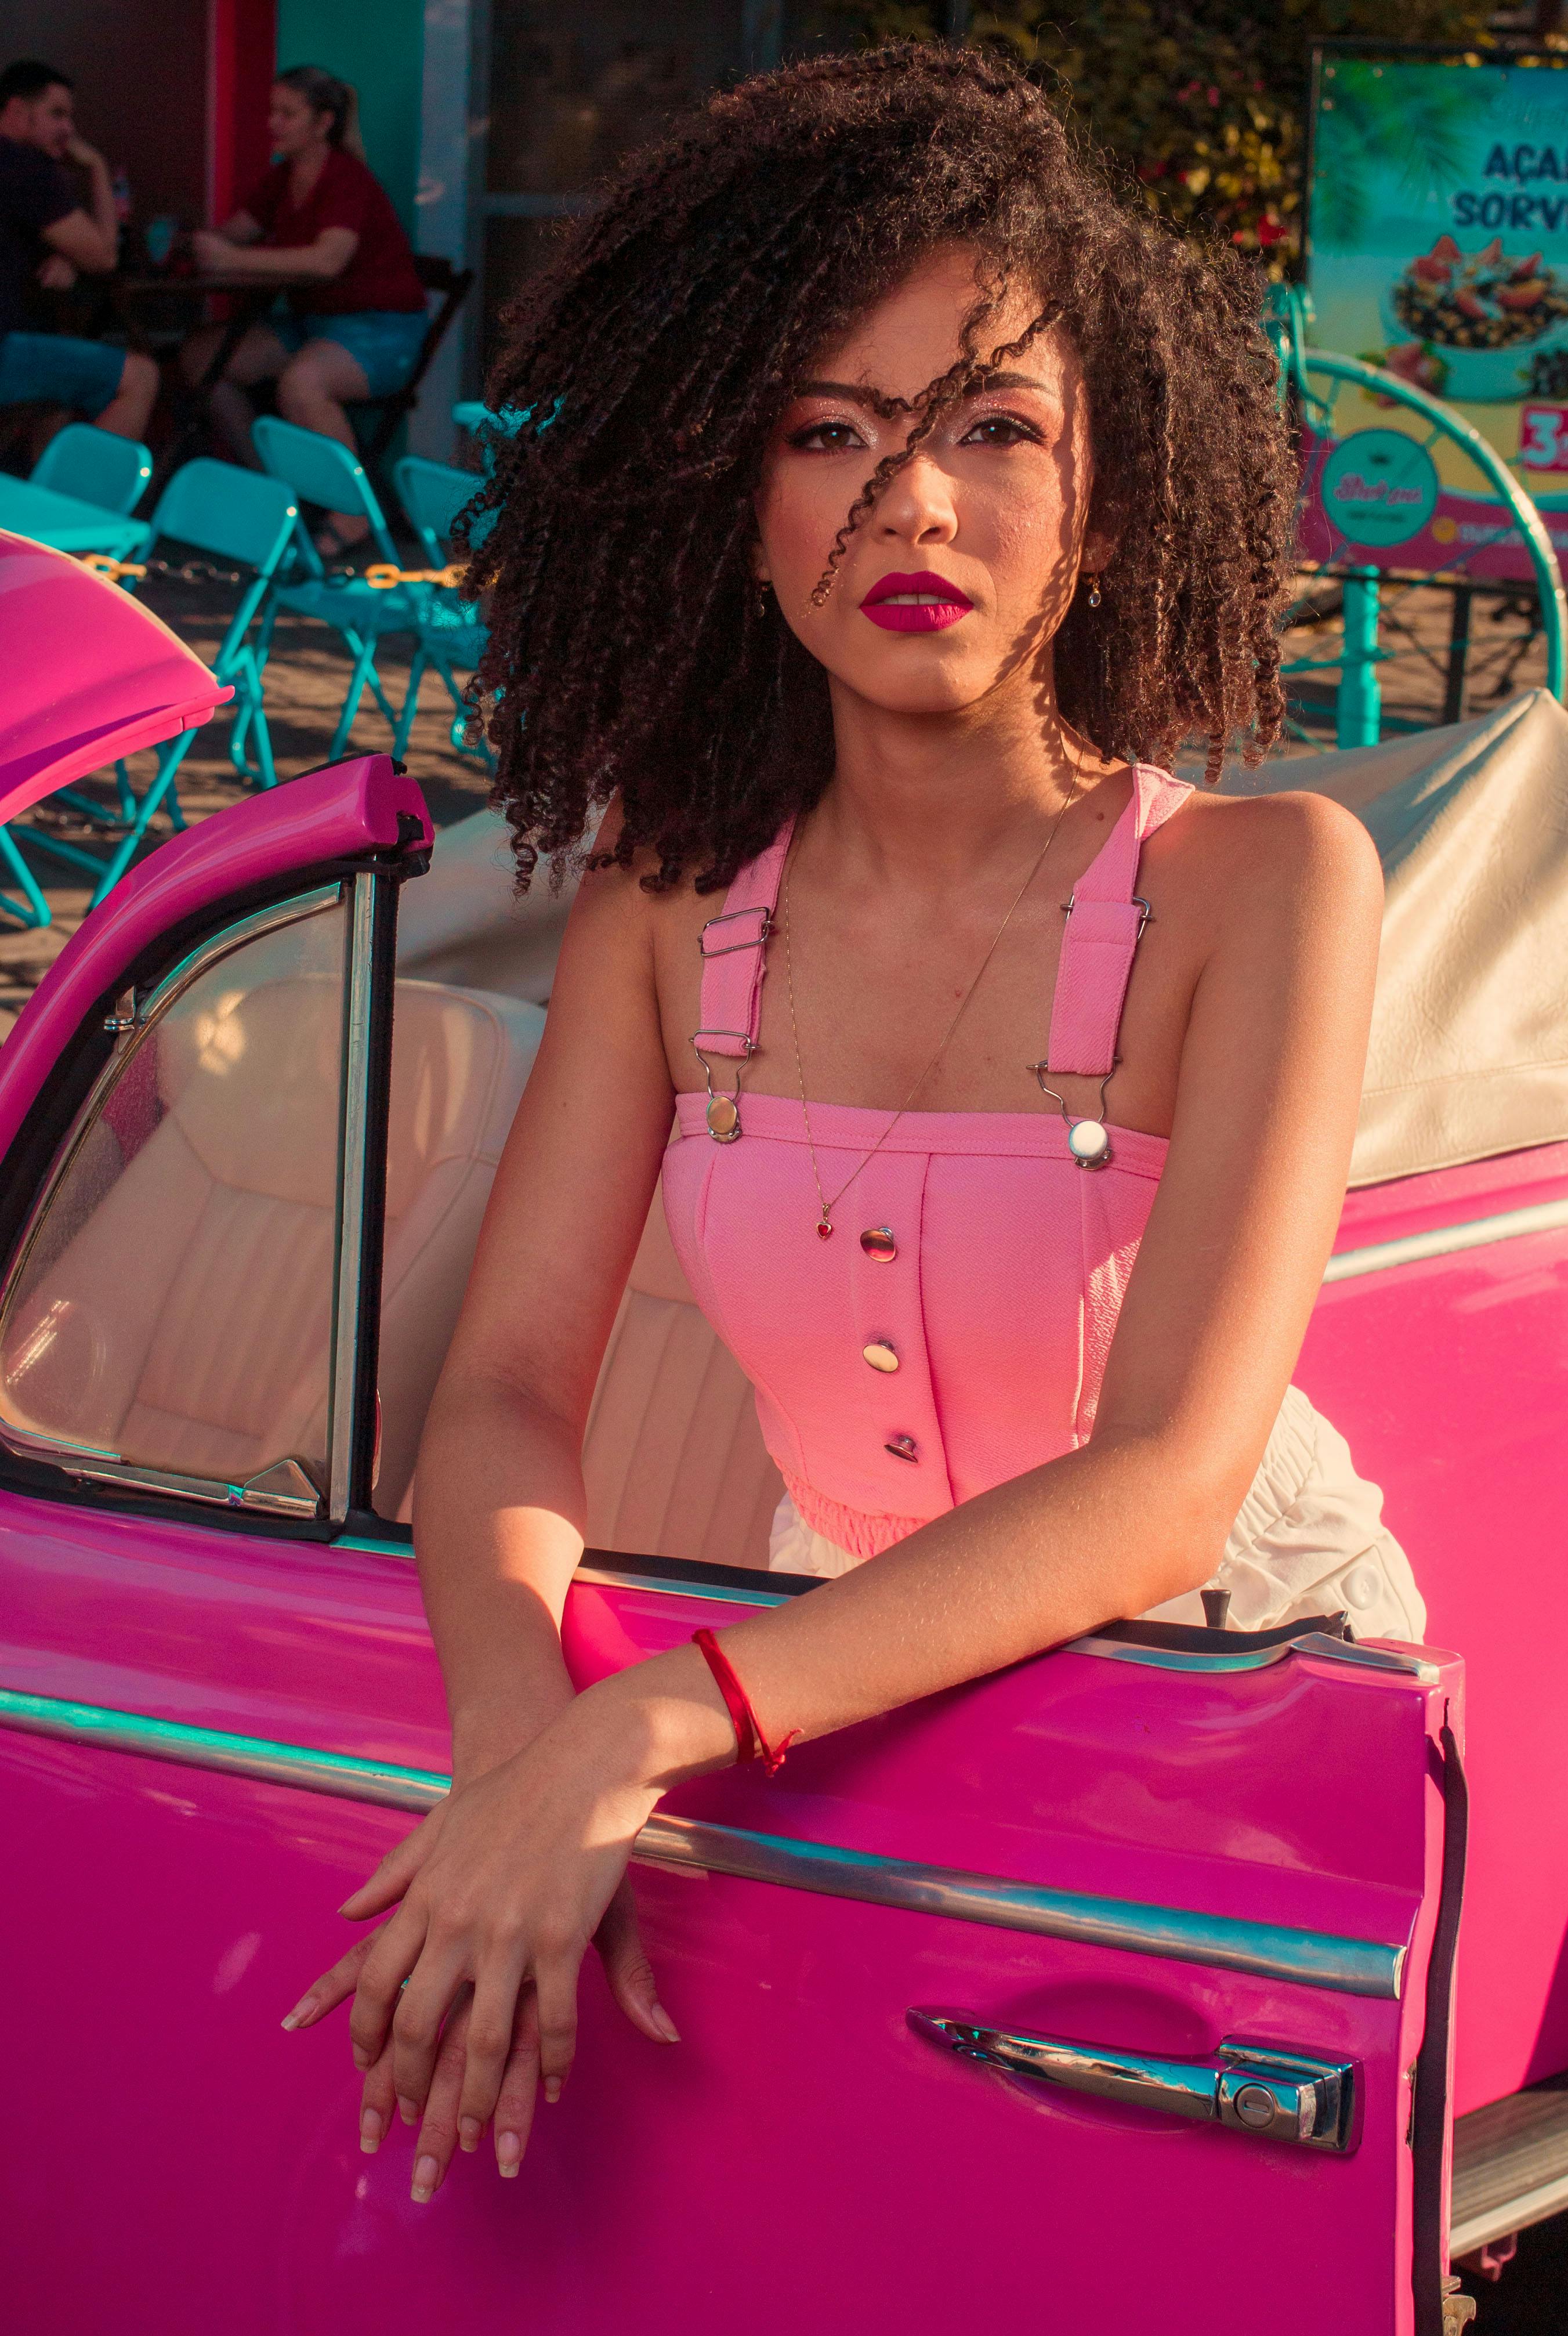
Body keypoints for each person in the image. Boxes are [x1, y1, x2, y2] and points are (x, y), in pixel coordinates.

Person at [281, 44, 1424, 2200]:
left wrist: (645, 1721)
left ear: (1109, 495)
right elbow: (507, 1390)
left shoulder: (1266, 886)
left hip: (1236, 1706)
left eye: (993, 428)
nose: (912, 505)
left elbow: (1166, 1487)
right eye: (830, 433)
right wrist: (519, 1740)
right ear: (740, 506)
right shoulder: (660, 910)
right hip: (832, 1724)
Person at [183, 64, 426, 555]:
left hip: (380, 329)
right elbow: (233, 235)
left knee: (303, 382)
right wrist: (199, 243)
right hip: (312, 323)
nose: (273, 123)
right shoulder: (282, 178)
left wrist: (232, 260)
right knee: (202, 358)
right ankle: (273, 488)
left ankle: (353, 514)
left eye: (287, 113)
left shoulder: (346, 178)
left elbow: (327, 260)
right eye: (272, 111)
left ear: (323, 122)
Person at [0, 59, 156, 439]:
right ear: (17, 112)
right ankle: (83, 483)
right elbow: (104, 257)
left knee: (56, 404)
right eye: (57, 114)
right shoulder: (23, 167)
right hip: (6, 349)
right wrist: (97, 167)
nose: (69, 129)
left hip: (23, 335)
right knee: (141, 376)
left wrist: (65, 255)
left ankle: (46, 476)